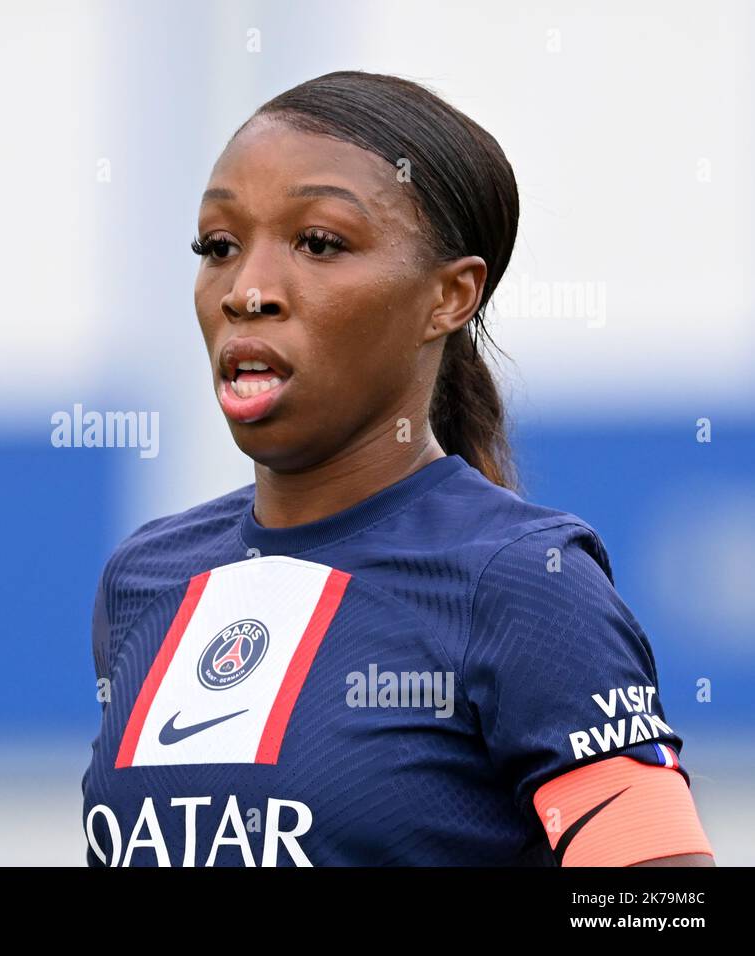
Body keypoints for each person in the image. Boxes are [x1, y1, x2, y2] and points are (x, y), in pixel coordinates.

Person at [80, 70, 714, 867]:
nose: (247, 291)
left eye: (319, 243)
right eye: (219, 247)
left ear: (450, 297)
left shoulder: (523, 580)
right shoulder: (146, 578)